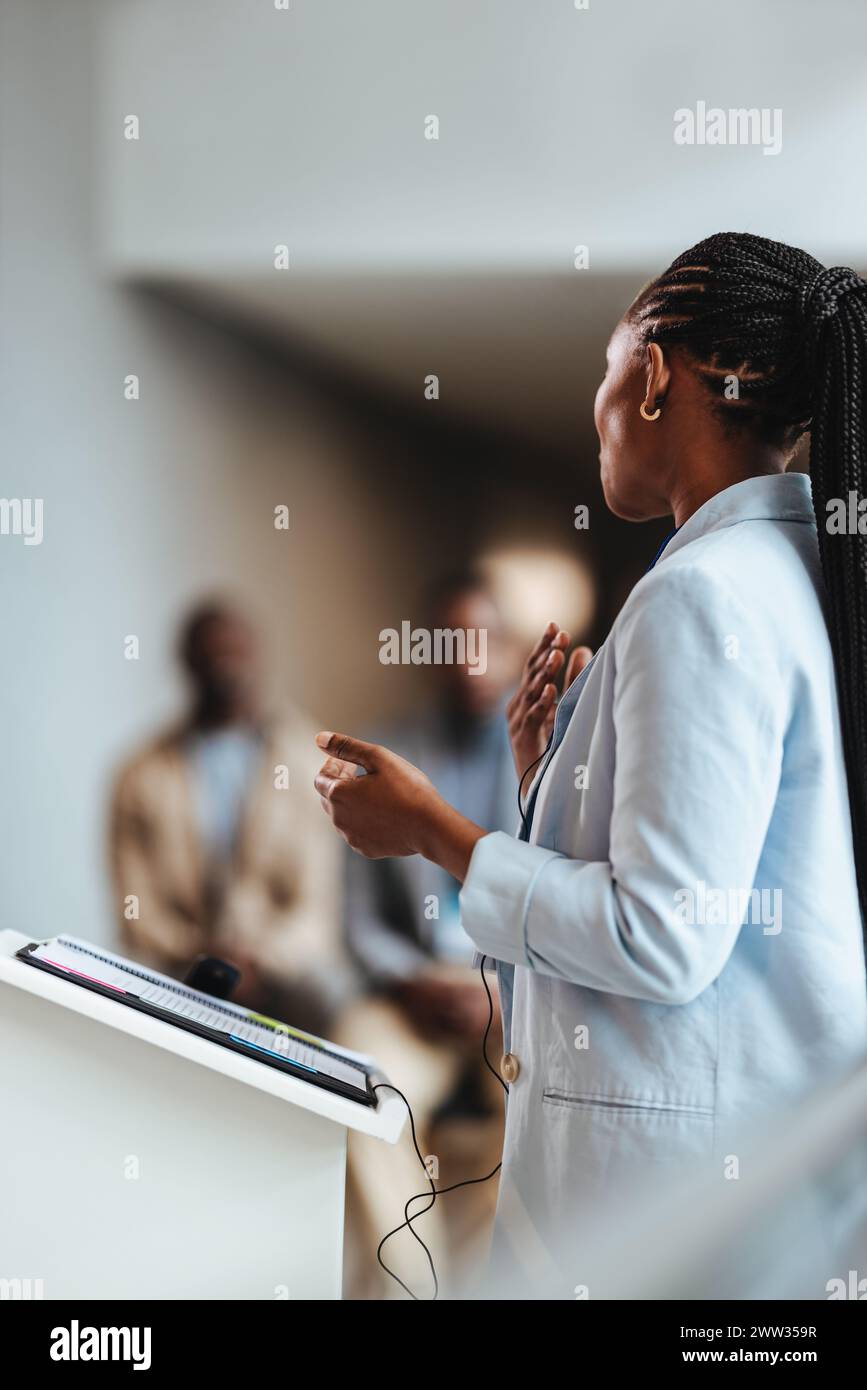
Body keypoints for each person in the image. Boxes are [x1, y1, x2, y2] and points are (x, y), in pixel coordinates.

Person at [313, 233, 867, 1294]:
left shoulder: (699, 596)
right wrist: (545, 780)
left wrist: (436, 831)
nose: (598, 405)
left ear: (653, 375)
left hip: (674, 1209)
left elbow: (661, 934)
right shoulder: (793, 572)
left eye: (605, 371)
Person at [337, 575, 520, 1297]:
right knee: (361, 1086)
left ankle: (465, 1280)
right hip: (409, 991)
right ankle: (412, 1287)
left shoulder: (548, 754)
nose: (470, 659)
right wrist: (405, 982)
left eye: (486, 640)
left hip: (508, 996)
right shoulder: (389, 755)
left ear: (509, 650)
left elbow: (562, 889)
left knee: (546, 1109)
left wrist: (501, 992)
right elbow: (355, 916)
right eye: (454, 641)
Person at [110, 600, 345, 1033]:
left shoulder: (307, 764)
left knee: (333, 1005)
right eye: (209, 655)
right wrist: (204, 958)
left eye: (235, 652)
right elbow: (136, 914)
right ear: (185, 664)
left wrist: (257, 961)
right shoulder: (140, 775)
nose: (224, 667)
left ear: (258, 657)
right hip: (178, 968)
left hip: (283, 974)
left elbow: (316, 910)